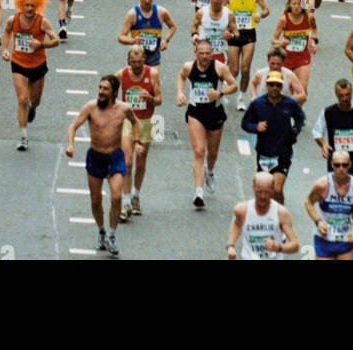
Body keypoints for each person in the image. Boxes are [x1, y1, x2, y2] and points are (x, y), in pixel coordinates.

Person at [66, 75, 137, 256]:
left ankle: (112, 235)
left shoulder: (124, 109)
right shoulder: (90, 108)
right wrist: (71, 145)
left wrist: (137, 143)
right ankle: (101, 232)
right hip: (95, 157)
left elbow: (135, 122)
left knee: (115, 197)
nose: (101, 92)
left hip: (115, 157)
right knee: (96, 200)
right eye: (99, 88)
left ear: (114, 92)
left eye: (105, 89)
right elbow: (73, 126)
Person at [176, 38, 237, 208]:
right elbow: (181, 77)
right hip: (196, 111)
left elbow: (234, 85)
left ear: (212, 54)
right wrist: (180, 93)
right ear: (195, 53)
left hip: (215, 112)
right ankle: (198, 192)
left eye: (208, 54)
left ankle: (209, 171)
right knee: (199, 151)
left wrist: (220, 93)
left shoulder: (219, 68)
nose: (204, 57)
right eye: (201, 53)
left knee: (213, 152)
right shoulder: (189, 67)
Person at [1, 0, 59, 151]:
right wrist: (5, 49)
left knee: (35, 101)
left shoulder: (42, 22)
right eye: (26, 5)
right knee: (22, 99)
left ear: (37, 7)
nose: (29, 9)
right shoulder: (13, 20)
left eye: (32, 6)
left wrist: (41, 44)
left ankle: (32, 109)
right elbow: (6, 32)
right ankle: (23, 136)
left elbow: (56, 41)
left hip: (38, 65)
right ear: (21, 5)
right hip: (19, 63)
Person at [240, 70, 306, 201]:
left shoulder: (290, 103)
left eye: (278, 85)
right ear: (266, 86)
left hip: (283, 152)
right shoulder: (257, 104)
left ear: (282, 87)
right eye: (271, 84)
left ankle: (280, 216)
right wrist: (256, 127)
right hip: (264, 152)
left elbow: (300, 118)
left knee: (276, 188)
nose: (274, 88)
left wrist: (295, 130)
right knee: (264, 190)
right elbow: (245, 123)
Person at [117, 45, 162, 220]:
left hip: (146, 122)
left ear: (144, 60)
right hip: (128, 122)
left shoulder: (152, 74)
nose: (136, 65)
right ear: (129, 61)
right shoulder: (121, 75)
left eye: (139, 62)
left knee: (141, 163)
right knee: (128, 161)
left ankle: (136, 195)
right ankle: (125, 202)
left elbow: (159, 100)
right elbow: (110, 97)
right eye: (133, 62)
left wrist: (150, 98)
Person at [306, 152, 353, 260]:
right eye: (337, 165)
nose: (341, 168)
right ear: (331, 165)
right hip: (324, 239)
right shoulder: (322, 185)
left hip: (346, 239)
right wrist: (318, 221)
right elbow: (308, 202)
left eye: (344, 165)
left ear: (350, 165)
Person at [312, 78, 353, 180]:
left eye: (347, 95)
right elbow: (317, 132)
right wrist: (323, 145)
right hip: (335, 166)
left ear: (351, 93)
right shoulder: (328, 112)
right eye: (341, 95)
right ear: (336, 94)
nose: (344, 98)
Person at [226, 172, 300, 260]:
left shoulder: (281, 213)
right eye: (259, 192)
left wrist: (278, 247)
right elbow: (237, 224)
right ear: (253, 188)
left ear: (273, 190)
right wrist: (231, 246)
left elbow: (295, 245)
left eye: (267, 192)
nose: (263, 196)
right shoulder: (242, 210)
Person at [227, 0, 271, 109]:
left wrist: (260, 15)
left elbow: (266, 10)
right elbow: (218, 10)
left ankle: (241, 97)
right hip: (234, 33)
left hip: (249, 33)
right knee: (234, 70)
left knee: (245, 68)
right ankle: (224, 91)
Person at [117, 0, 177, 69]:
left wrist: (166, 40)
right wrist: (133, 41)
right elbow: (121, 37)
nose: (147, 1)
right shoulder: (132, 14)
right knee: (136, 81)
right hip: (136, 55)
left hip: (153, 54)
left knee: (153, 81)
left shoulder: (161, 12)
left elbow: (172, 26)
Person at [271, 0, 317, 102]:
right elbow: (273, 40)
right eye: (294, 4)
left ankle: (298, 113)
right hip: (287, 59)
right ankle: (288, 112)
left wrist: (312, 41)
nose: (296, 7)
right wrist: (281, 43)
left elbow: (314, 29)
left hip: (303, 58)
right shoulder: (284, 19)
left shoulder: (309, 17)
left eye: (299, 4)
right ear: (289, 6)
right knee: (288, 90)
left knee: (303, 90)